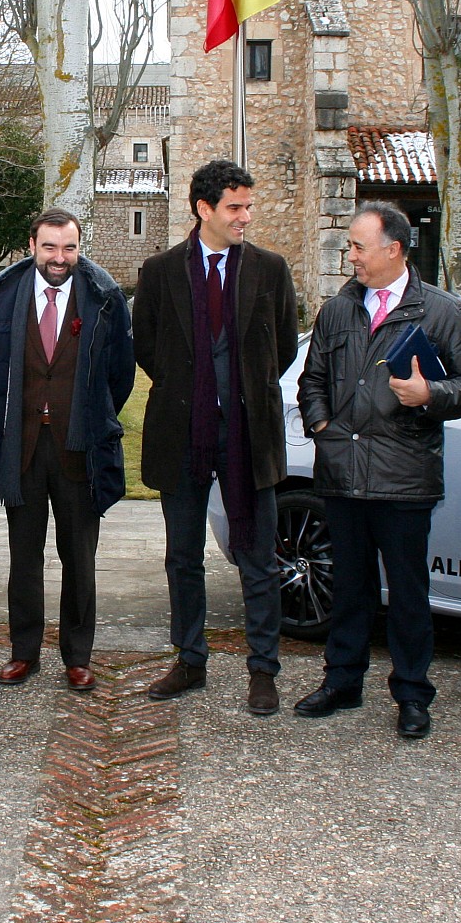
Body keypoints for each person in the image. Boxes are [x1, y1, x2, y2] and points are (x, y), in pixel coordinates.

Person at [295, 201, 461, 739]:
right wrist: (320, 425)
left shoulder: (442, 311)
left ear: (394, 249)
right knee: (349, 588)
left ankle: (411, 695)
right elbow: (312, 379)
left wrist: (430, 394)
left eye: (358, 246)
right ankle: (342, 682)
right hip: (342, 473)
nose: (349, 255)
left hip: (404, 479)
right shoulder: (337, 310)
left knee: (406, 593)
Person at [134, 160, 298, 716]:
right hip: (183, 432)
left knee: (258, 556)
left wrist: (241, 391)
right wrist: (194, 390)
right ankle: (189, 660)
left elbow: (284, 348)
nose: (245, 217)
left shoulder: (271, 270)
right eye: (235, 207)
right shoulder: (158, 273)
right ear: (204, 209)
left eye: (249, 206)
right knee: (183, 555)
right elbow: (147, 347)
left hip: (249, 435)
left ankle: (263, 670)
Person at [0, 209, 135, 692]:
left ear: (79, 248)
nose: (59, 258)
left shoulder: (103, 300)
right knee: (24, 558)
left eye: (69, 248)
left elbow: (120, 375)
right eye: (50, 247)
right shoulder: (5, 298)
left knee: (79, 558)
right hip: (20, 449)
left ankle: (77, 656)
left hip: (77, 450)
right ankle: (23, 652)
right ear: (32, 244)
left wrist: (91, 415)